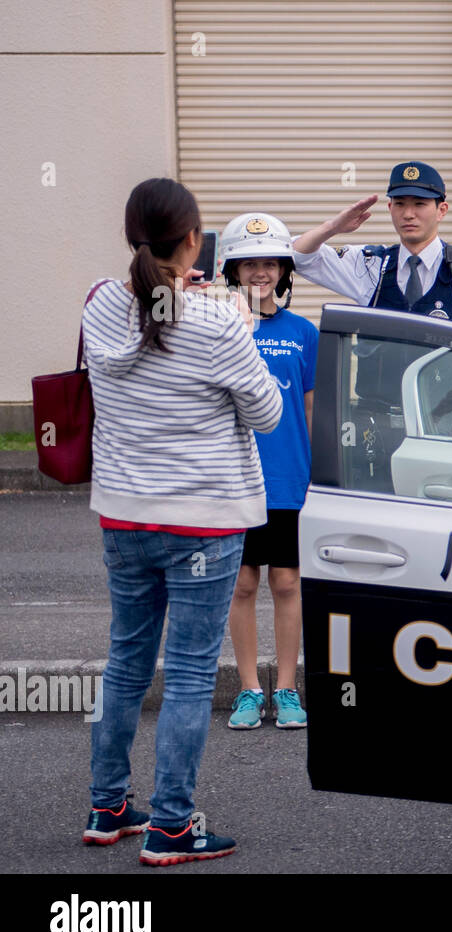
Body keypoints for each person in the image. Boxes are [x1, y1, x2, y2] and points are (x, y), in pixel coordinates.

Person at [81, 178, 282, 866]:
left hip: (123, 513)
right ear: (194, 240)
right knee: (193, 674)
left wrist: (177, 294)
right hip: (203, 517)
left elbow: (146, 311)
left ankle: (108, 807)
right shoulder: (219, 320)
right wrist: (213, 310)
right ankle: (171, 824)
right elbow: (267, 414)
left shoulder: (101, 305)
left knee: (126, 661)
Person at [218, 213, 318, 731]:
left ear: (283, 270)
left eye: (270, 263)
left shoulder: (303, 332)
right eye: (249, 263)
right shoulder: (217, 326)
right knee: (240, 586)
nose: (260, 272)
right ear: (233, 270)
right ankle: (248, 691)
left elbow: (310, 410)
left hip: (288, 482)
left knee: (286, 583)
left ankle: (287, 688)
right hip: (233, 480)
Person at [290, 161, 452, 329]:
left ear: (441, 210)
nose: (408, 214)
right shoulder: (371, 265)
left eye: (419, 204)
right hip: (380, 391)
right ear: (389, 208)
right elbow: (297, 258)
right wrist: (332, 228)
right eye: (400, 204)